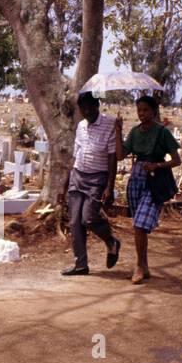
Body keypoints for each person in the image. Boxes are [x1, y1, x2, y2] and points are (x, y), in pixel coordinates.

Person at [116, 95, 182, 284]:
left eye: (145, 110)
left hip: (154, 181)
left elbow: (176, 160)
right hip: (136, 180)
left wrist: (157, 165)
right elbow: (120, 155)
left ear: (154, 111)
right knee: (139, 226)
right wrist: (118, 131)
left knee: (140, 224)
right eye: (139, 110)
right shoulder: (135, 132)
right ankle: (144, 266)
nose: (142, 113)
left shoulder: (162, 132)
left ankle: (139, 266)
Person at [62, 91, 121, 276]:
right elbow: (75, 155)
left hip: (97, 178)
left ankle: (111, 241)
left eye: (90, 107)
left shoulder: (110, 124)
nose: (86, 111)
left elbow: (112, 158)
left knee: (88, 218)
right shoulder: (81, 125)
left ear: (97, 105)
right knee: (74, 222)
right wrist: (65, 182)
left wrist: (109, 186)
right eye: (83, 108)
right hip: (78, 175)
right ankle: (80, 264)